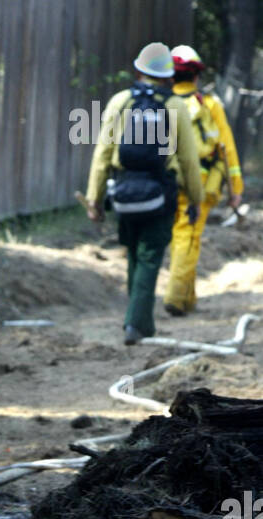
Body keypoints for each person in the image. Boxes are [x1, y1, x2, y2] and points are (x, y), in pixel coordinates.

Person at [85, 43, 202, 345]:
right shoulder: (175, 106)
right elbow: (189, 160)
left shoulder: (120, 102)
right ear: (167, 76)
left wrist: (94, 199)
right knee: (150, 257)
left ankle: (141, 322)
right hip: (160, 194)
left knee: (135, 254)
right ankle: (136, 324)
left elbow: (102, 155)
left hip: (123, 193)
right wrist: (195, 198)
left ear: (138, 70)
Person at [164, 44, 245, 316]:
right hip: (200, 182)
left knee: (181, 234)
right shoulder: (208, 106)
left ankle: (188, 298)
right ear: (196, 76)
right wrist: (236, 188)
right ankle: (176, 297)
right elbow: (227, 148)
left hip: (164, 181)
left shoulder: (161, 103)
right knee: (188, 235)